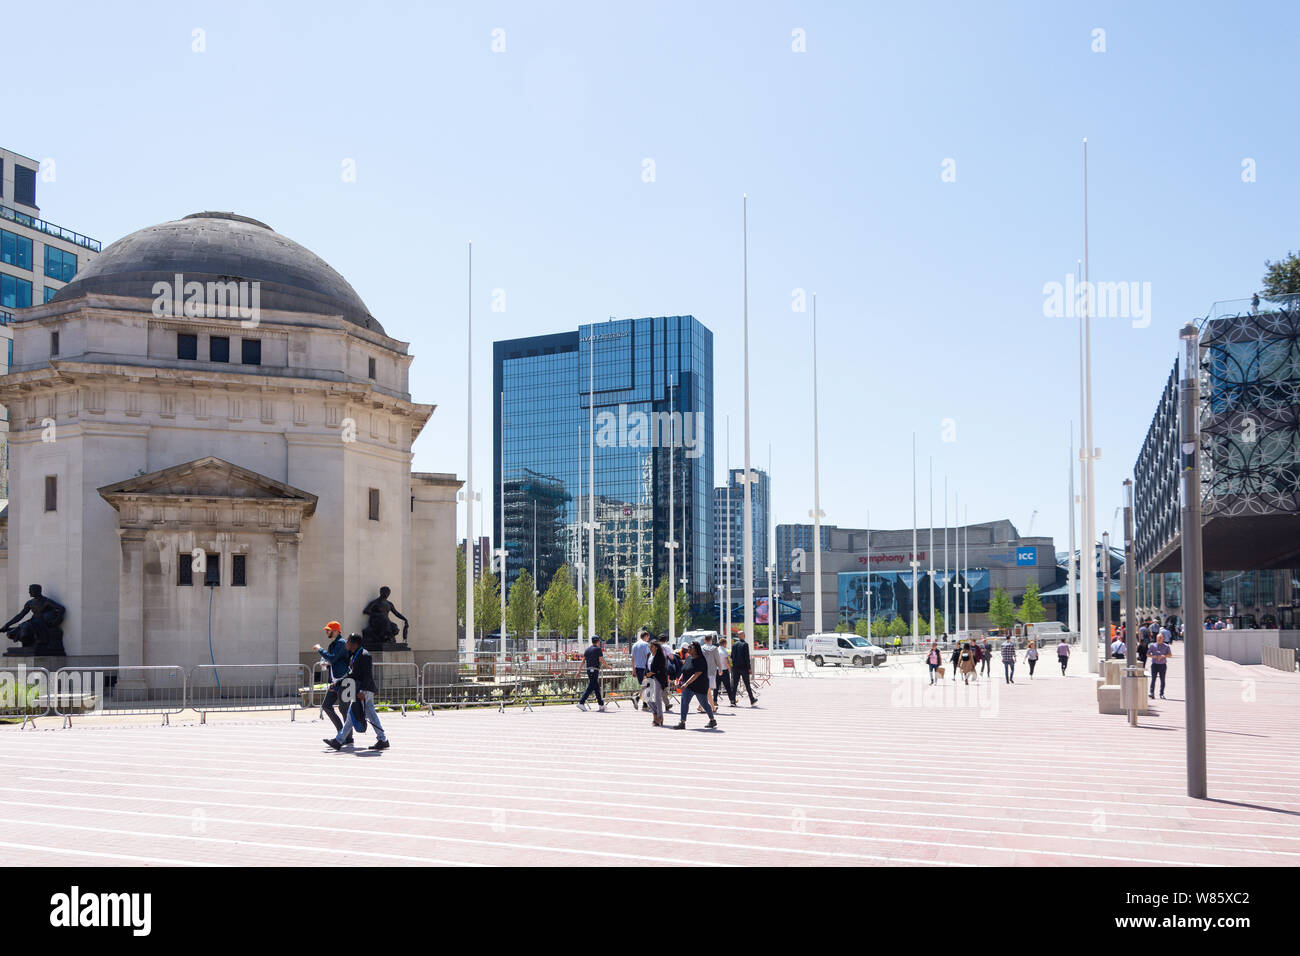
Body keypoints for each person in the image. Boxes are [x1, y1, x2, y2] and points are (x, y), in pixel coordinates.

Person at [324, 633, 389, 751]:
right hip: (360, 689)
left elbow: (367, 675)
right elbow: (352, 675)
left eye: (348, 641)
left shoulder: (364, 655)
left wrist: (362, 691)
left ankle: (339, 740)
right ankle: (382, 739)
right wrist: (337, 683)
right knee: (363, 714)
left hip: (365, 690)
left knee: (352, 714)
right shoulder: (355, 655)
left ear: (354, 644)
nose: (346, 643)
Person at [313, 621, 353, 742]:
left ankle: (347, 737)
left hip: (344, 681)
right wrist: (327, 664)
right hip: (335, 681)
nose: (326, 632)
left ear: (336, 631)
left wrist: (320, 649)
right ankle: (342, 733)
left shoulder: (341, 643)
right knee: (326, 705)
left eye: (328, 630)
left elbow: (332, 658)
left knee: (344, 709)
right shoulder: (335, 644)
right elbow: (333, 661)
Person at [673, 641, 717, 729]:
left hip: (699, 686)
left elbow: (697, 674)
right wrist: (680, 681)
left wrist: (685, 683)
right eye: (688, 647)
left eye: (690, 647)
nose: (688, 649)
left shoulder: (701, 659)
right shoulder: (689, 658)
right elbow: (684, 671)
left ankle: (712, 720)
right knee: (684, 702)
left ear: (696, 649)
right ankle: (682, 722)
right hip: (689, 686)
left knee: (704, 703)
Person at [576, 635, 606, 711]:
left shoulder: (587, 650)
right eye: (599, 641)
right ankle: (581, 702)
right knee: (591, 687)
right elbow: (601, 660)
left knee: (596, 688)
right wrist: (608, 666)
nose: (600, 642)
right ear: (598, 641)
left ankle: (601, 704)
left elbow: (583, 661)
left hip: (589, 670)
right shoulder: (598, 649)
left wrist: (579, 671)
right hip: (594, 670)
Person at [730, 631, 758, 706]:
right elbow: (746, 657)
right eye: (744, 634)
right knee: (747, 684)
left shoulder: (734, 645)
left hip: (735, 667)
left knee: (735, 684)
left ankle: (732, 700)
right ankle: (752, 699)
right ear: (743, 636)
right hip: (743, 667)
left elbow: (732, 656)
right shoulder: (745, 644)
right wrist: (749, 668)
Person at [645, 638, 668, 726]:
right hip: (649, 678)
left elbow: (663, 669)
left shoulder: (661, 656)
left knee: (657, 698)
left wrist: (653, 672)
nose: (650, 647)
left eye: (652, 646)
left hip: (658, 678)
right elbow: (646, 666)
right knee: (647, 697)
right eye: (649, 646)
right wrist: (646, 674)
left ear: (656, 647)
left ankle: (659, 718)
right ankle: (655, 714)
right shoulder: (649, 655)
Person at [631, 628, 652, 710]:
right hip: (644, 668)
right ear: (646, 636)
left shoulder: (634, 645)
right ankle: (637, 698)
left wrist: (633, 669)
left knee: (644, 686)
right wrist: (649, 668)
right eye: (648, 638)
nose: (648, 639)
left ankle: (645, 704)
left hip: (638, 668)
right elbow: (647, 656)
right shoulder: (645, 644)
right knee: (647, 686)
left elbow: (632, 658)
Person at [1149, 630, 1172, 700]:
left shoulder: (1166, 646)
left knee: (1162, 679)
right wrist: (1153, 656)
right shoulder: (1152, 645)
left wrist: (1163, 656)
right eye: (1157, 638)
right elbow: (1148, 654)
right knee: (1153, 679)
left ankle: (1161, 694)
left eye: (1160, 638)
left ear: (1163, 639)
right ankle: (1151, 693)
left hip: (1162, 665)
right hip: (1154, 664)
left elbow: (1170, 655)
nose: (1158, 640)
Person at [699, 635, 721, 710]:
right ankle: (711, 707)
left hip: (702, 672)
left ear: (705, 640)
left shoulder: (701, 648)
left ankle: (702, 706)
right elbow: (718, 660)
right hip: (711, 672)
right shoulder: (714, 648)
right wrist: (720, 669)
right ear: (711, 640)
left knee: (706, 690)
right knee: (707, 691)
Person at [716, 636, 736, 706]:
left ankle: (714, 700)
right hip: (724, 670)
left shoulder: (716, 650)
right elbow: (726, 662)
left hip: (717, 670)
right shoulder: (724, 651)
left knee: (716, 686)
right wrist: (729, 669)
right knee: (727, 686)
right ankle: (732, 701)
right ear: (724, 644)